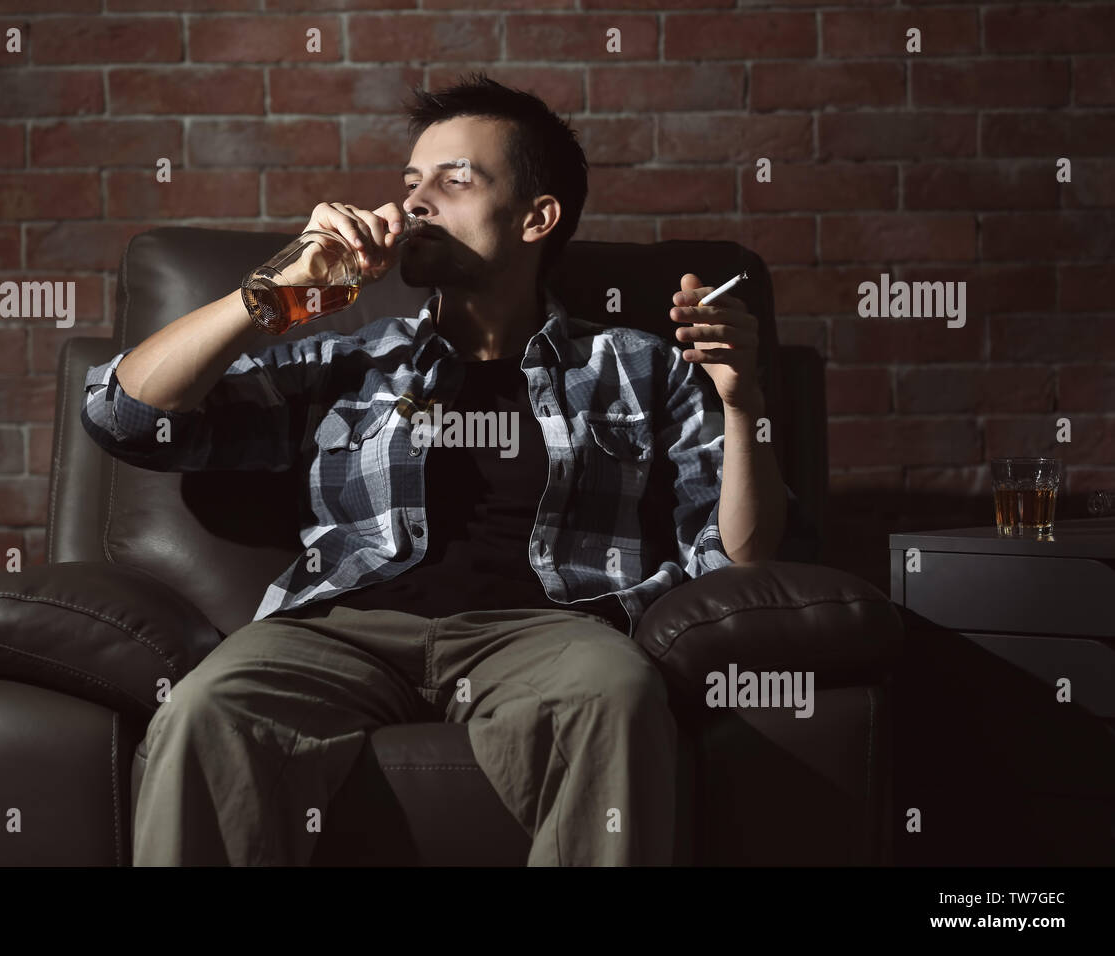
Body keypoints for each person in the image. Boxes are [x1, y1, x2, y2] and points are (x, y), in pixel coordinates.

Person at [81, 72, 792, 866]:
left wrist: (741, 398)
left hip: (551, 631)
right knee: (206, 710)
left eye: (454, 183)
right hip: (343, 629)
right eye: (410, 183)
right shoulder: (354, 364)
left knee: (617, 699)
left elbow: (738, 560)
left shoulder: (638, 367)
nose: (416, 203)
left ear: (536, 217)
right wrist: (273, 290)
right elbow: (125, 417)